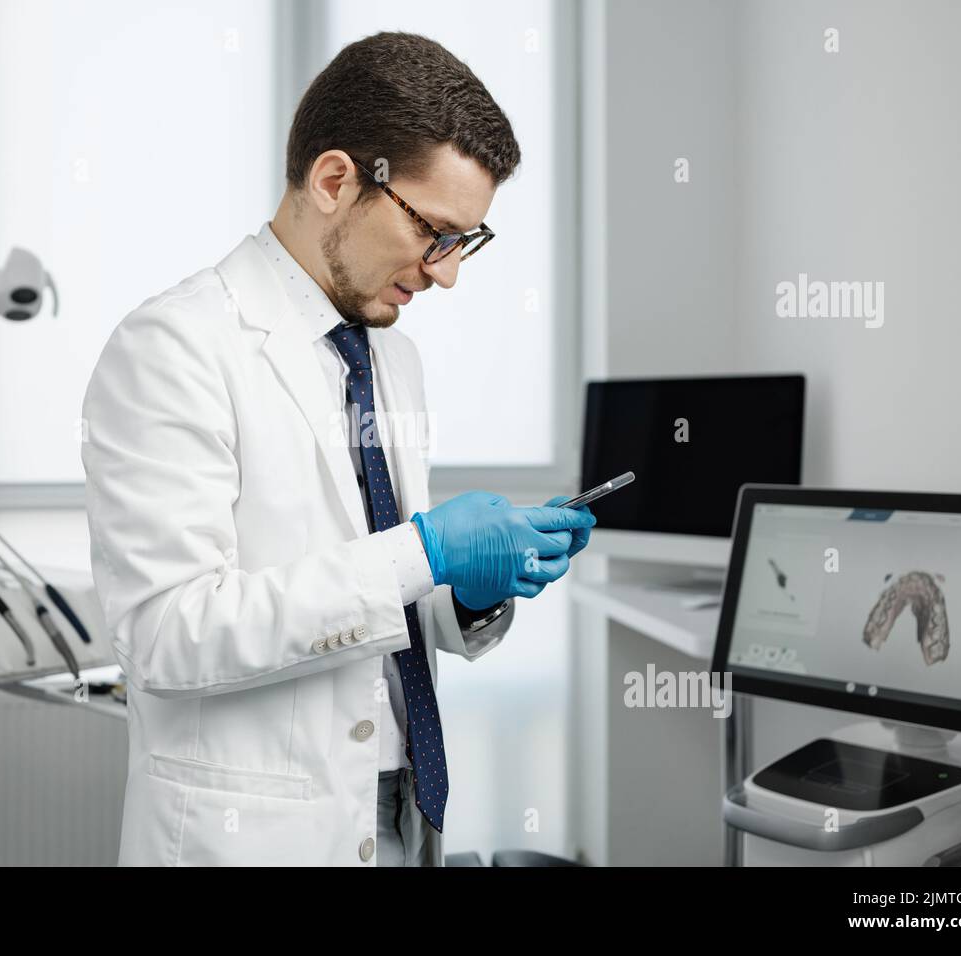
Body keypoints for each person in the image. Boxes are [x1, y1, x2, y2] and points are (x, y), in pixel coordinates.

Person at [81, 30, 595, 867]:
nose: (447, 272)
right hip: (257, 835)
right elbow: (165, 635)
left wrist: (464, 590)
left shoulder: (391, 355)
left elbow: (382, 601)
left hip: (395, 815)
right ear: (334, 180)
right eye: (436, 231)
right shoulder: (173, 348)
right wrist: (421, 552)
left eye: (466, 241)